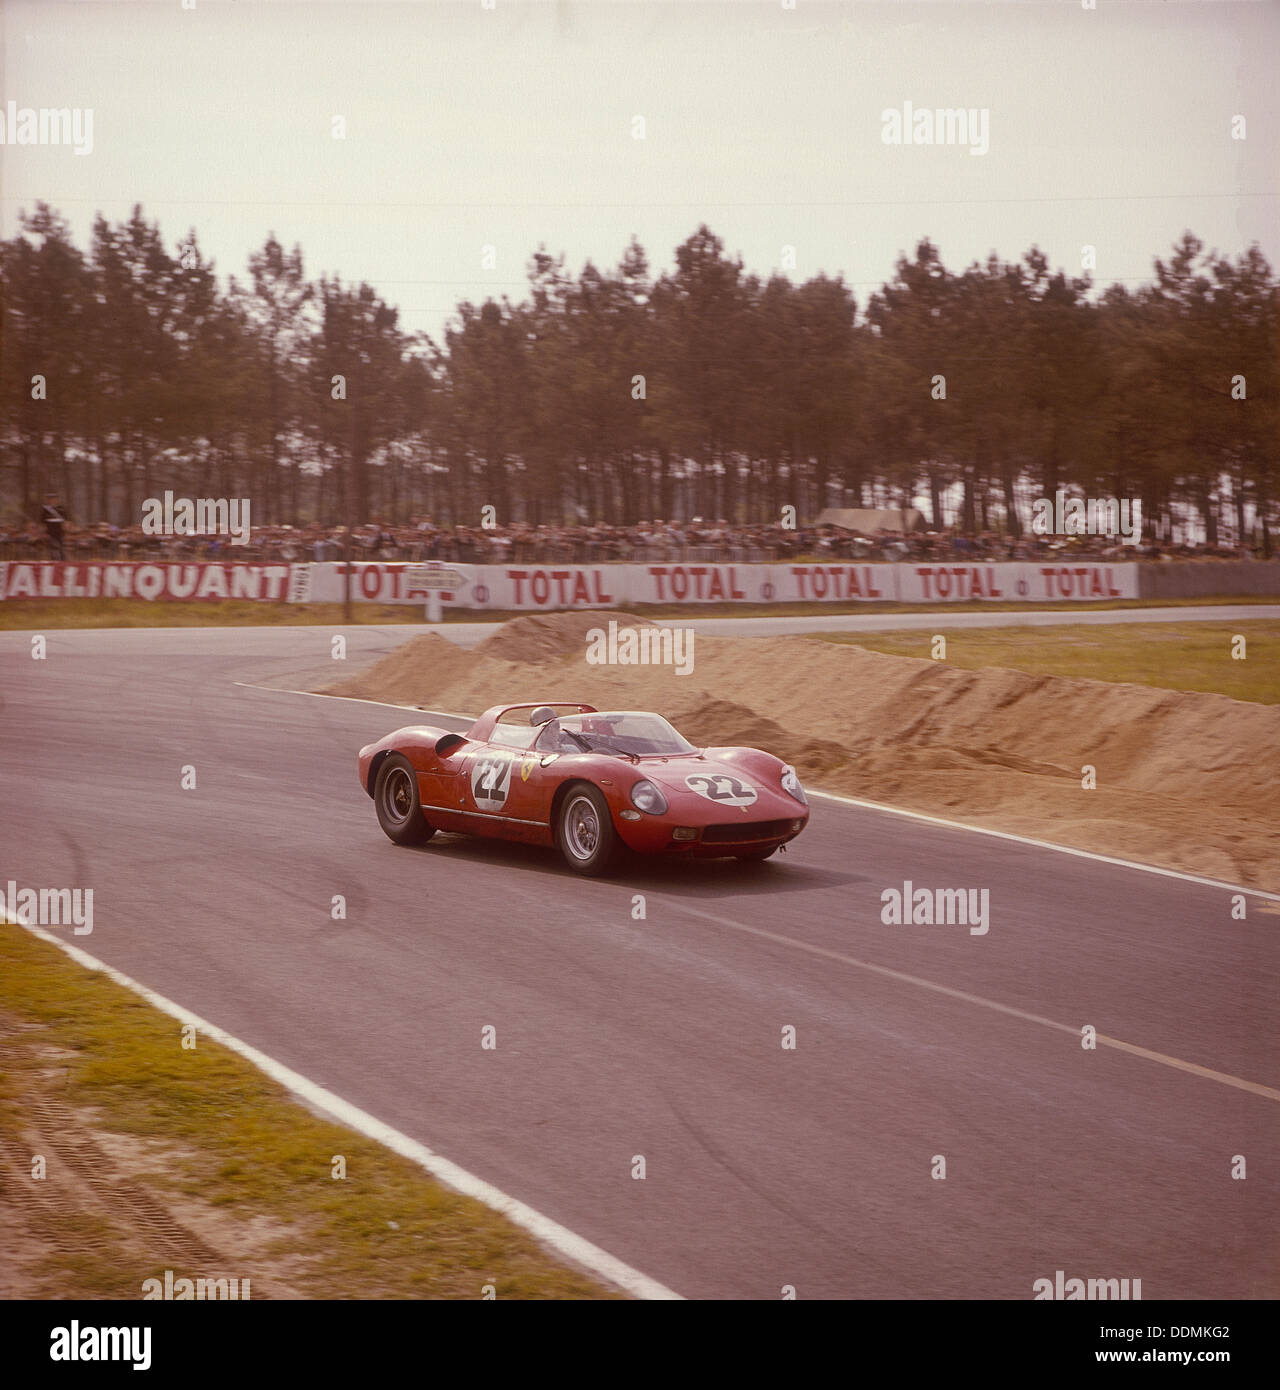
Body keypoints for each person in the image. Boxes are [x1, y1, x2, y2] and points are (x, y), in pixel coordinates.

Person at [41, 494, 66, 560]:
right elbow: (43, 522)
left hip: (60, 531)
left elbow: (65, 520)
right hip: (50, 531)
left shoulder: (61, 509)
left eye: (54, 499)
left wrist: (65, 529)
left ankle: (63, 561)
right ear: (48, 500)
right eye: (50, 499)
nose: (52, 501)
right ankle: (55, 561)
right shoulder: (45, 510)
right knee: (54, 547)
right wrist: (44, 532)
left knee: (61, 547)